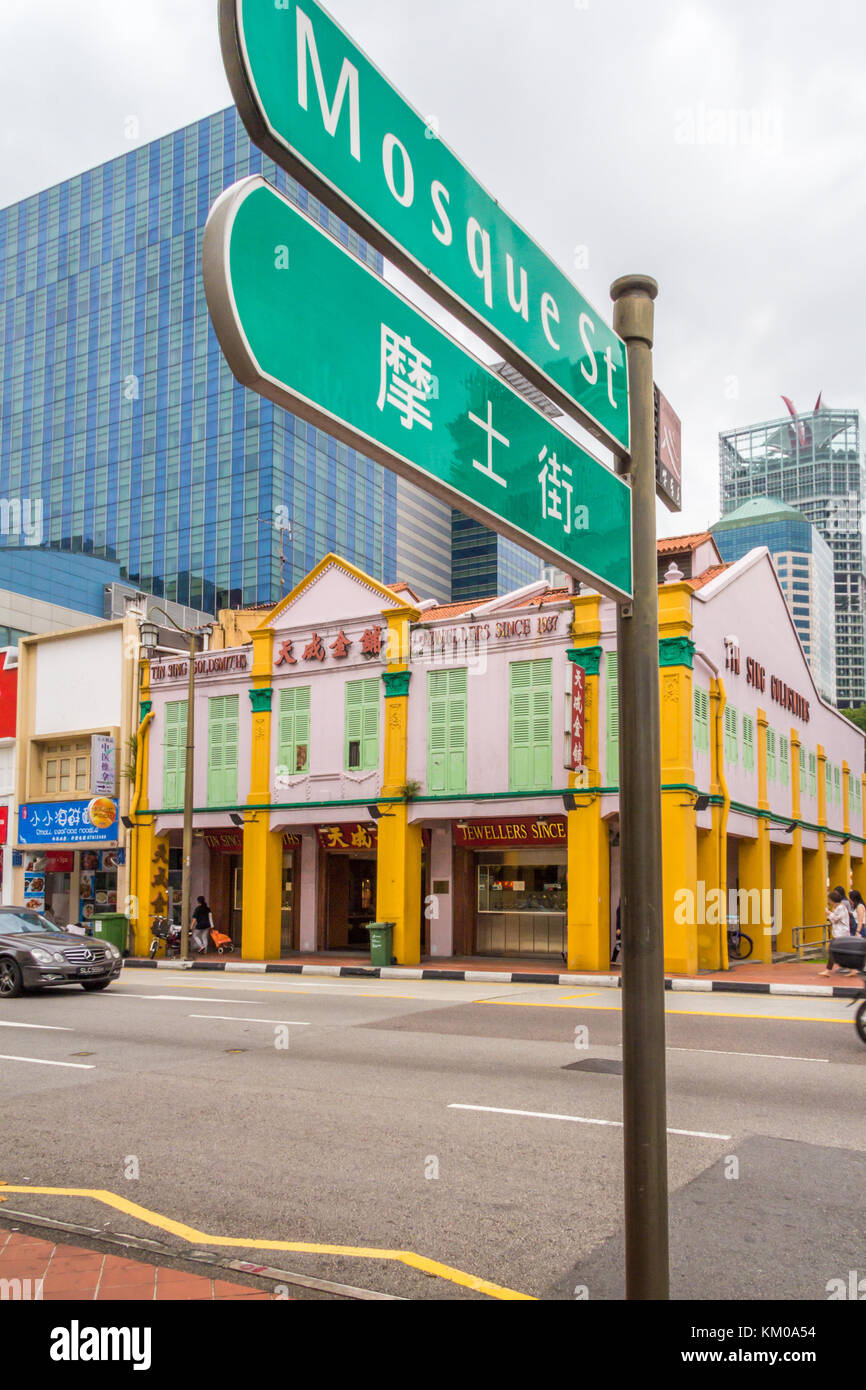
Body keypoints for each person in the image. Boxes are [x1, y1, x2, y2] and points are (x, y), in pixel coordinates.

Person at [821, 889, 855, 975]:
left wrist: (829, 913)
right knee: (842, 952)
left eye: (829, 900)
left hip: (841, 933)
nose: (829, 901)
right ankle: (852, 969)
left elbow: (835, 919)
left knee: (833, 950)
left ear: (832, 900)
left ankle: (828, 970)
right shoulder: (840, 907)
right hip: (841, 933)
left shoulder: (840, 908)